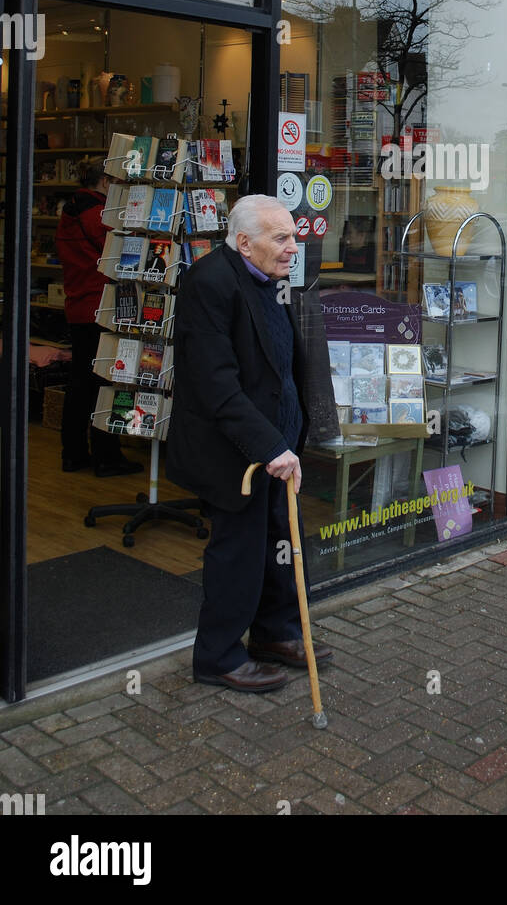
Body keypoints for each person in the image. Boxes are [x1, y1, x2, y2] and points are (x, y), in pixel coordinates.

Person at [166, 194, 335, 694]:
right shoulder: (208, 284)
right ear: (244, 242)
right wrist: (268, 445)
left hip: (277, 445)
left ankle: (275, 634)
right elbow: (216, 383)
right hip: (236, 451)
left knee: (281, 545)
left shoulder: (268, 279)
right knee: (236, 555)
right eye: (280, 237)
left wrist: (293, 434)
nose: (292, 247)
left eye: (294, 236)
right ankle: (217, 657)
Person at [55, 157, 145, 477]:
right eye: (119, 183)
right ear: (106, 182)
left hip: (78, 306)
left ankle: (75, 452)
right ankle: (107, 454)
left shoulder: (70, 212)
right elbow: (122, 248)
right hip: (104, 307)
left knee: (80, 384)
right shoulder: (99, 213)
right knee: (109, 382)